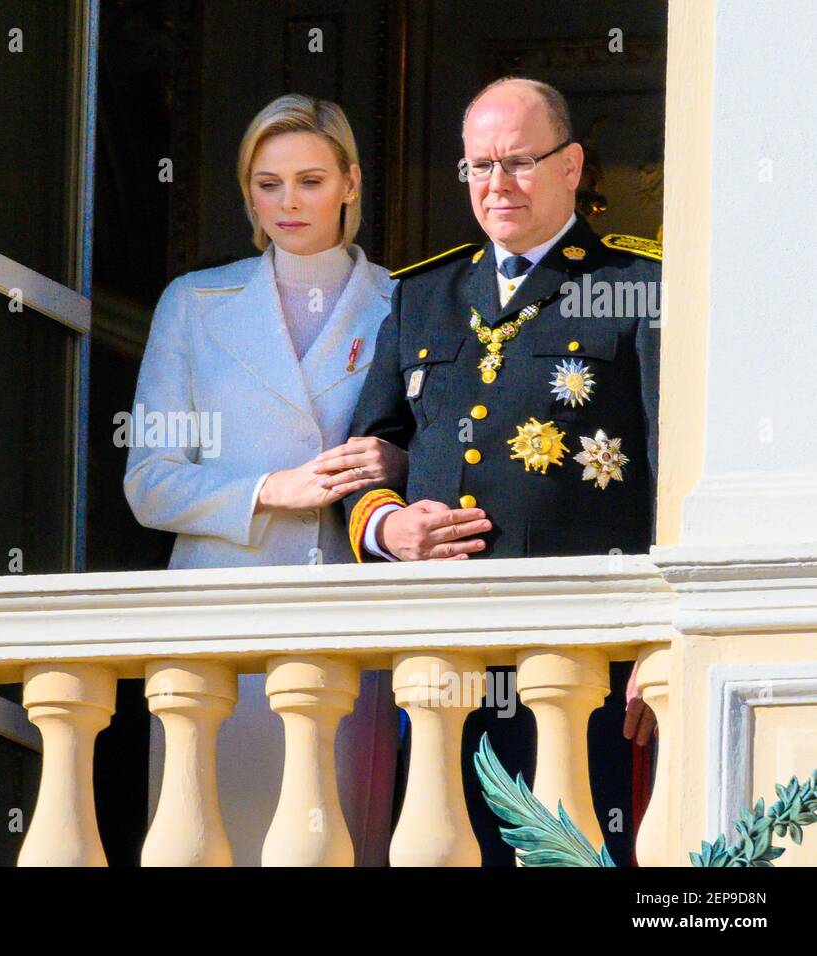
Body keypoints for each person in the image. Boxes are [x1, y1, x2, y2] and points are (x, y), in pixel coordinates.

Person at [335, 76, 661, 862]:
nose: (495, 185)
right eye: (478, 167)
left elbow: (672, 469)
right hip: (446, 659)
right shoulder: (425, 295)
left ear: (572, 164)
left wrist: (662, 640)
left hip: (585, 656)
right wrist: (389, 527)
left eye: (517, 161)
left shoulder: (639, 286)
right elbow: (363, 459)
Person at [124, 94, 405, 865]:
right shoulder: (193, 305)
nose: (288, 202)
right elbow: (149, 483)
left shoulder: (406, 303)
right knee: (212, 838)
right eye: (268, 181)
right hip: (219, 617)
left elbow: (438, 450)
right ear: (247, 189)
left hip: (350, 616)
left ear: (350, 182)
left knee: (340, 842)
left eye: (310, 180)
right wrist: (265, 490)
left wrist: (397, 465)